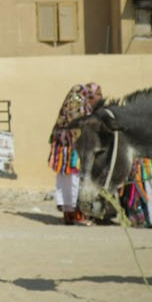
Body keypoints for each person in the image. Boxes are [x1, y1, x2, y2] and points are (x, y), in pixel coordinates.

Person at [49, 83, 104, 225]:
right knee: (76, 180)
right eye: (93, 95)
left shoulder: (70, 111)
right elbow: (79, 129)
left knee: (66, 182)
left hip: (65, 151)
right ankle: (77, 214)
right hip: (74, 152)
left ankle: (69, 214)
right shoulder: (80, 107)